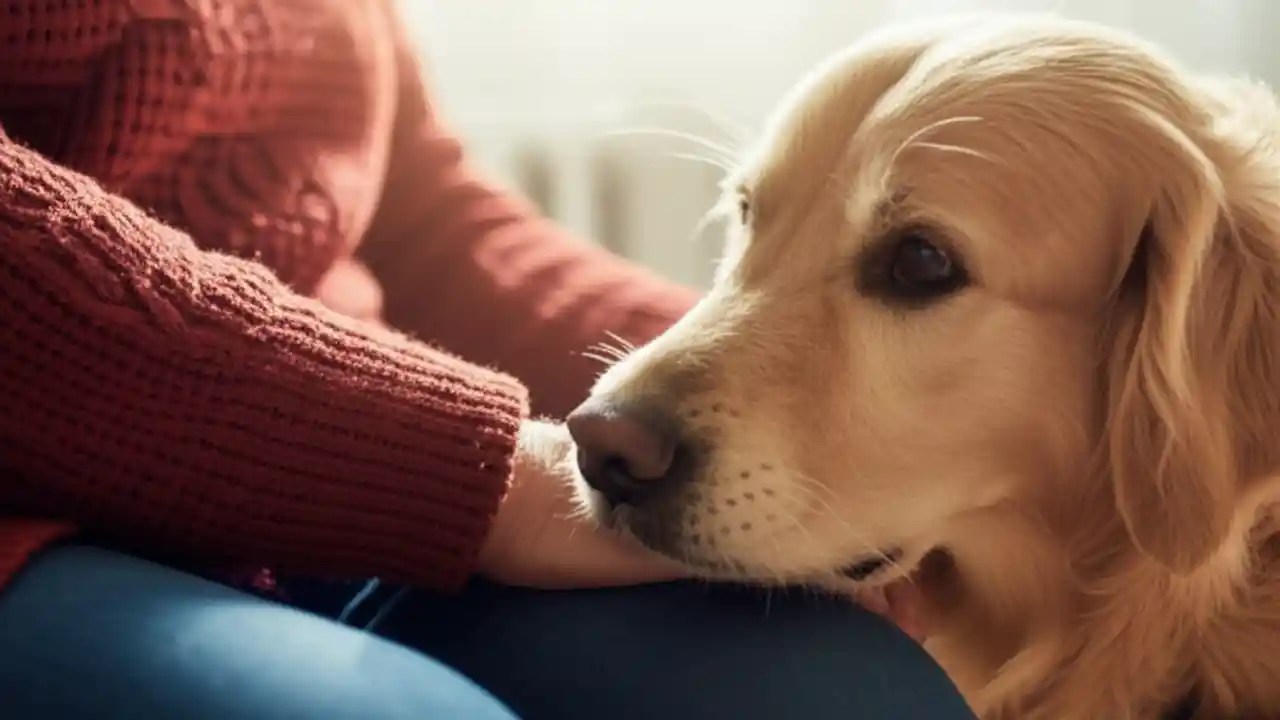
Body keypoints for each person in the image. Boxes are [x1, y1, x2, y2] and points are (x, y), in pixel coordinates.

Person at [0, 2, 973, 718]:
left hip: (325, 512)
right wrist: (484, 477)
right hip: (48, 519)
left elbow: (427, 229)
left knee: (843, 696)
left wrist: (743, 402)